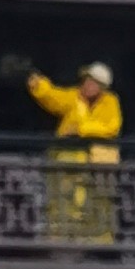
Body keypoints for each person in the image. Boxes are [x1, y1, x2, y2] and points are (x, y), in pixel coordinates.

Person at [27, 63, 120, 243]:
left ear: (102, 87)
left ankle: (100, 241)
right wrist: (40, 86)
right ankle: (61, 238)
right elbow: (54, 97)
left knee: (99, 200)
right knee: (64, 198)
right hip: (67, 158)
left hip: (99, 161)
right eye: (86, 81)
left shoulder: (110, 102)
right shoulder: (73, 97)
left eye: (93, 83)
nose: (88, 86)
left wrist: (81, 129)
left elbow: (111, 126)